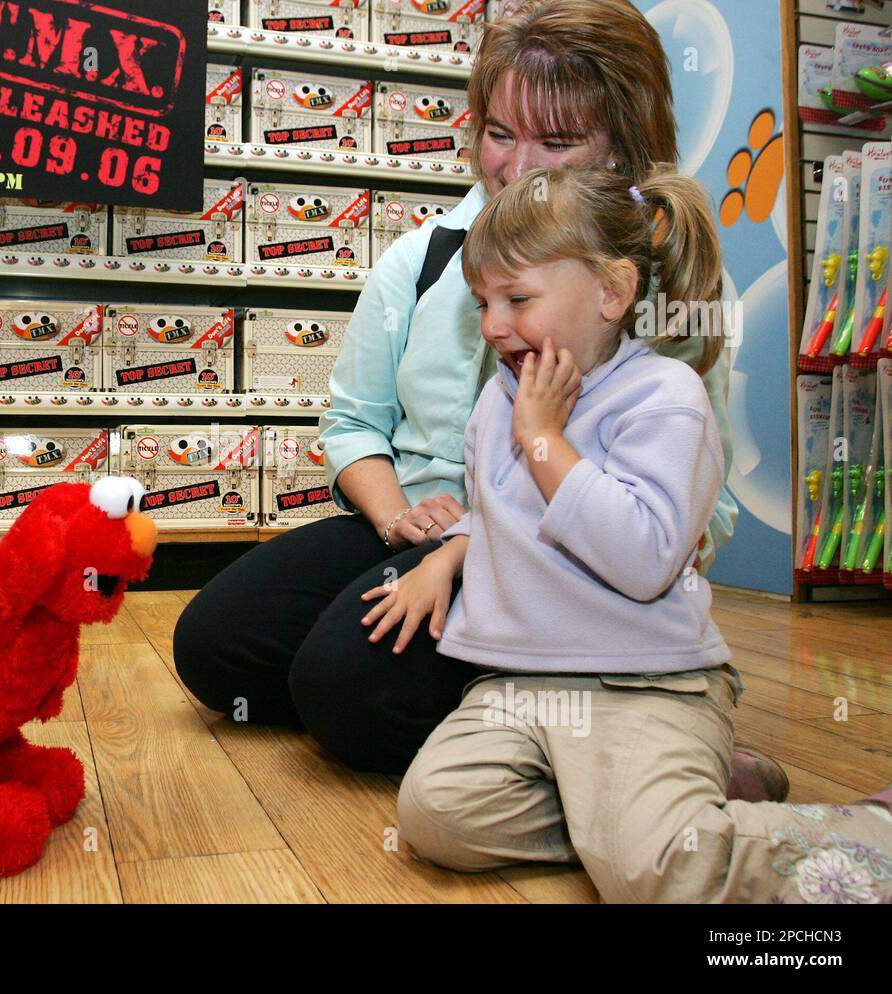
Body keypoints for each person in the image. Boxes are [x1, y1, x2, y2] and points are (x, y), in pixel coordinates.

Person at [175, 0, 780, 797]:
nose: (518, 167)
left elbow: (700, 507)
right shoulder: (421, 257)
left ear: (625, 148)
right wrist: (397, 517)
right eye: (500, 133)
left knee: (344, 689)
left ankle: (628, 757)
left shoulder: (660, 284)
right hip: (415, 525)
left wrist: (621, 543)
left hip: (559, 547)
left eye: (558, 143)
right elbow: (355, 422)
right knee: (216, 646)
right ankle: (575, 740)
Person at [372, 164, 892, 903]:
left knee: (656, 874)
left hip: (646, 682)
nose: (492, 325)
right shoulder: (499, 400)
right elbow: (503, 518)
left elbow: (644, 559)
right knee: (437, 818)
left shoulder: (663, 398)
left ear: (612, 293)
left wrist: (548, 440)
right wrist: (447, 560)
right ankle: (657, 812)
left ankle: (867, 833)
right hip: (517, 685)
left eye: (517, 298)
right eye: (483, 300)